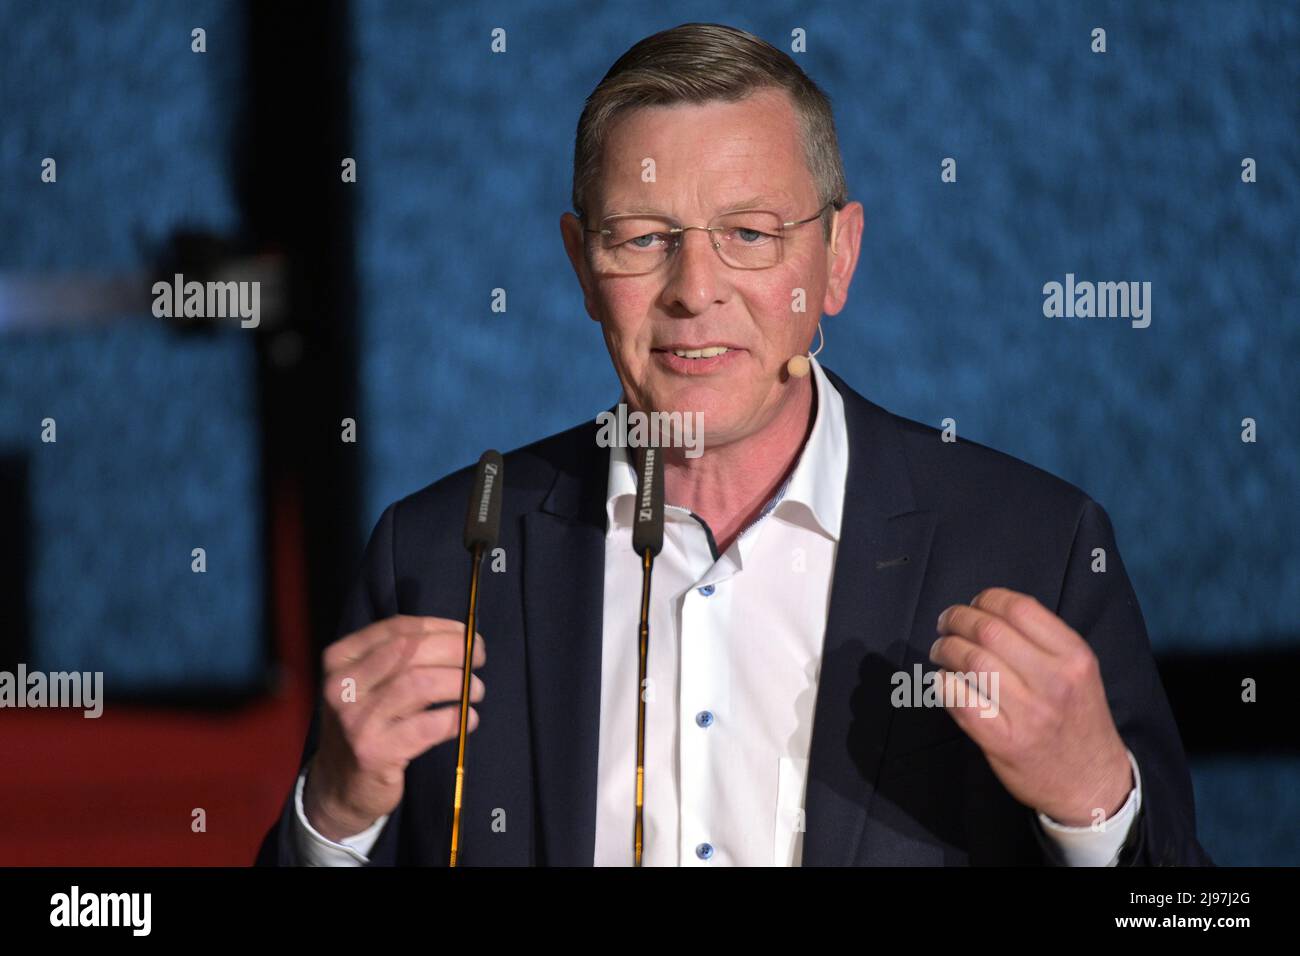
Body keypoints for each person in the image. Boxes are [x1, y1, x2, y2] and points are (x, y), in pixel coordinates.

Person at [256, 22, 1209, 866]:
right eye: (641, 240)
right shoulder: (436, 557)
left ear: (837, 257)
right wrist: (335, 818)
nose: (694, 289)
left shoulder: (1034, 545)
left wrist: (1095, 808)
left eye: (749, 234)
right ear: (581, 267)